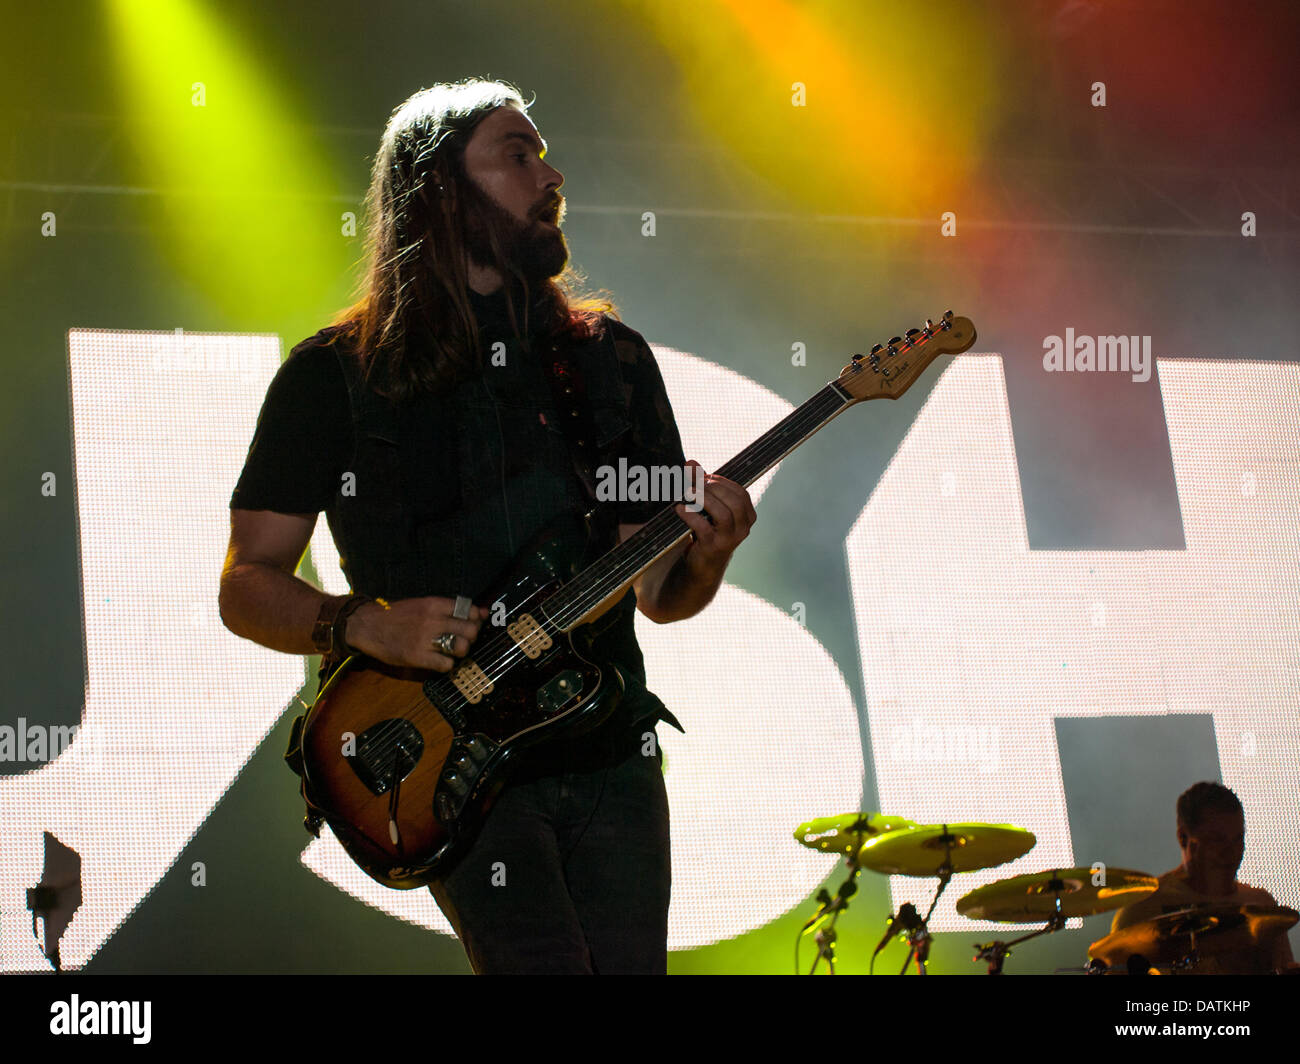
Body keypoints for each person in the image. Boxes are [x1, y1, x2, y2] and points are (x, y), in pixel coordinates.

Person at [218, 77, 756, 974]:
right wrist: (363, 623)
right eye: (518, 152)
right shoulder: (332, 380)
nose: (551, 175)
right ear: (439, 190)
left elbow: (660, 594)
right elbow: (247, 584)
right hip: (458, 763)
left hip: (611, 751)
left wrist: (710, 554)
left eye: (542, 153)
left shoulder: (612, 363)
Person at [1109, 781, 1296, 974]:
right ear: (1183, 837)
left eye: (1238, 839)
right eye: (1217, 840)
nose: (1231, 853)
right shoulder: (1143, 908)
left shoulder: (1261, 904)